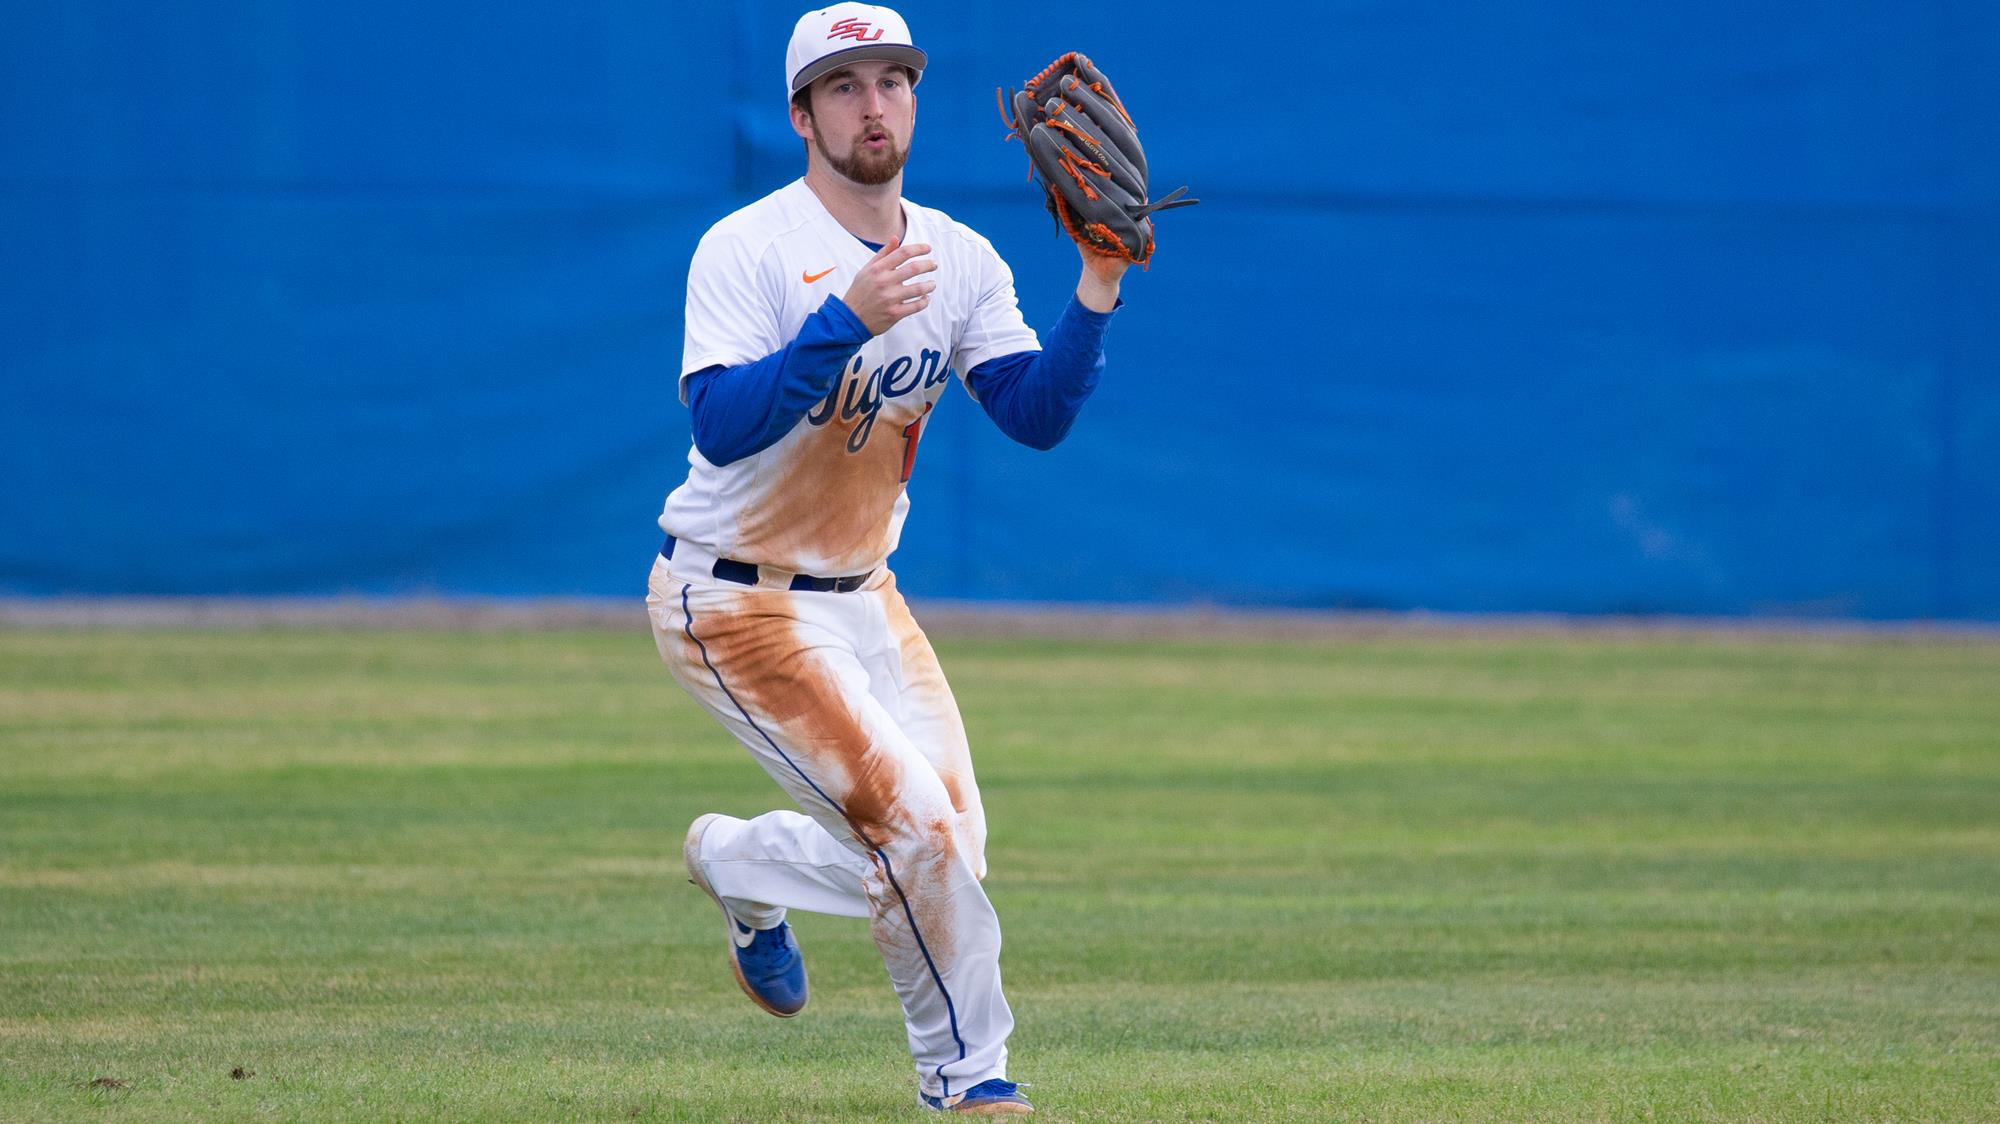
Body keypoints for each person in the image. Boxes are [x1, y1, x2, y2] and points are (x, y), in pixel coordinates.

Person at [644, 3, 1133, 1114]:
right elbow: (720, 421)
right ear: (802, 115)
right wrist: (841, 323)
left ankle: (738, 862)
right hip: (731, 600)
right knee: (912, 828)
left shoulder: (956, 256)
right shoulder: (748, 246)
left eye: (893, 81)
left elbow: (1032, 412)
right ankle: (970, 1081)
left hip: (863, 594)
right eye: (847, 86)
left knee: (951, 842)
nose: (875, 105)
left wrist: (1095, 287)